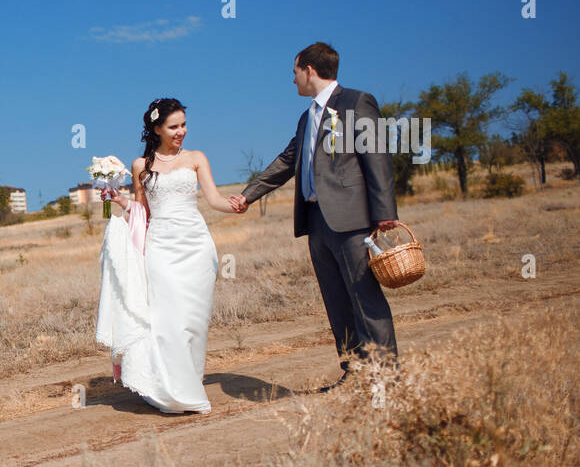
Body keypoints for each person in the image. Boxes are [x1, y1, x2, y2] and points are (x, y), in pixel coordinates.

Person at [228, 42, 399, 391]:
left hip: (353, 221)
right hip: (316, 222)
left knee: (365, 299)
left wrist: (384, 213)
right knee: (336, 302)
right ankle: (354, 374)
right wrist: (247, 195)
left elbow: (377, 156)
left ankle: (385, 380)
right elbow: (287, 161)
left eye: (294, 72)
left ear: (309, 69)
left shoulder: (356, 102)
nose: (292, 80)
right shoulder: (306, 118)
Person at [95, 97, 240, 415]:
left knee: (194, 322)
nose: (181, 131)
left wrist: (238, 204)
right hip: (161, 249)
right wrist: (119, 200)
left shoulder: (197, 158)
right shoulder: (141, 166)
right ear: (157, 128)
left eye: (184, 124)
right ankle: (172, 391)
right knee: (167, 321)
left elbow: (213, 199)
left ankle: (189, 382)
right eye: (174, 126)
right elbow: (142, 213)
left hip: (197, 247)